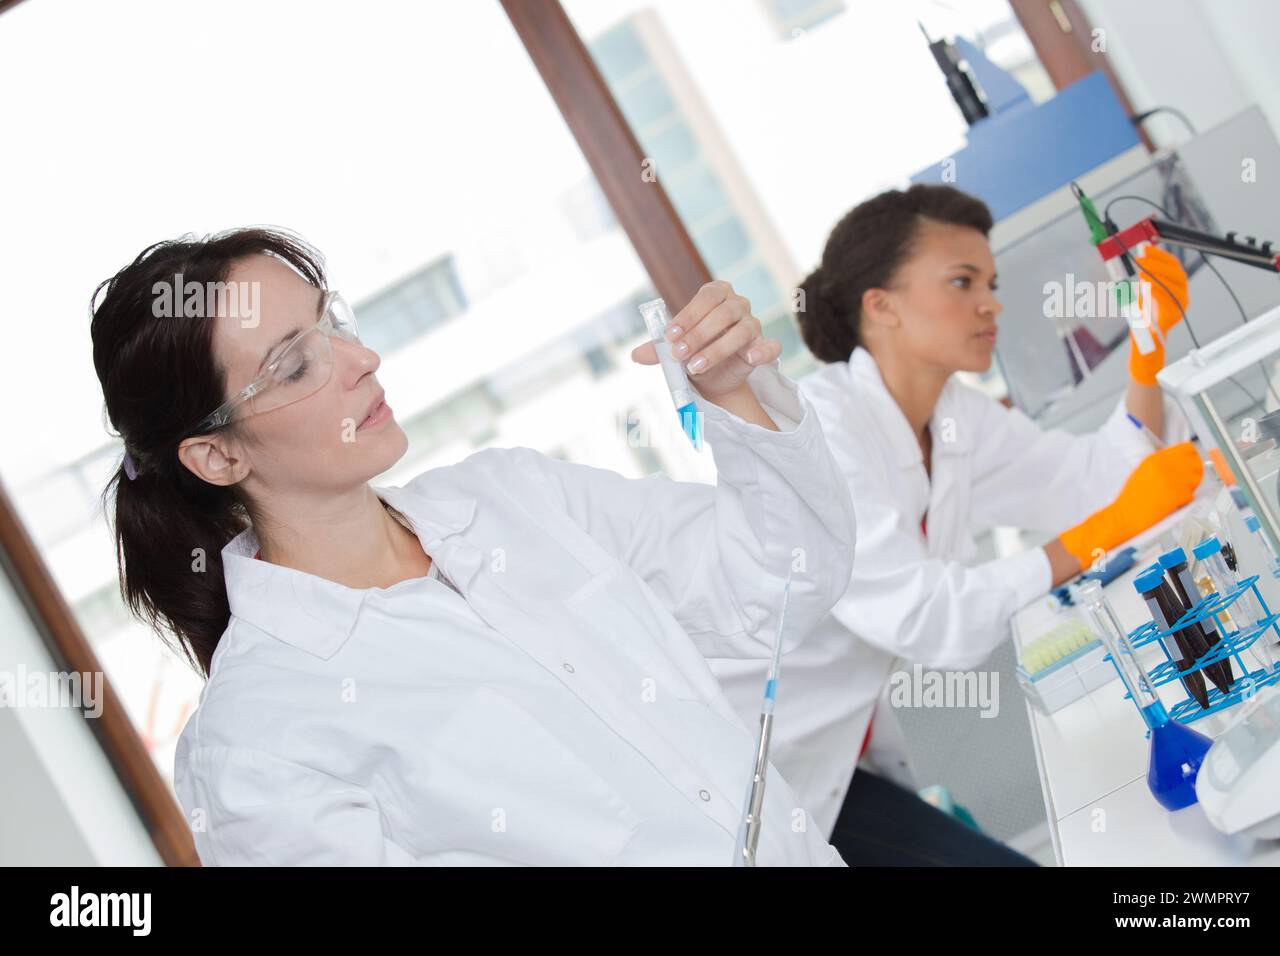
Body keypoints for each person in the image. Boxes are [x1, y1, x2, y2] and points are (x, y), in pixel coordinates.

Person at [90, 227, 858, 866]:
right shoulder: (259, 740)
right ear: (218, 456)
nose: (360, 360)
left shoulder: (512, 497)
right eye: (296, 363)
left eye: (333, 323)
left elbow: (784, 582)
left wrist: (730, 392)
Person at [709, 184, 1203, 866]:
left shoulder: (957, 420)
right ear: (880, 307)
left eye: (992, 282)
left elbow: (1096, 487)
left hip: (839, 761)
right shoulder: (819, 429)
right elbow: (928, 614)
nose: (991, 302)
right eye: (962, 281)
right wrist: (1099, 533)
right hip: (744, 776)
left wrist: (1148, 351)